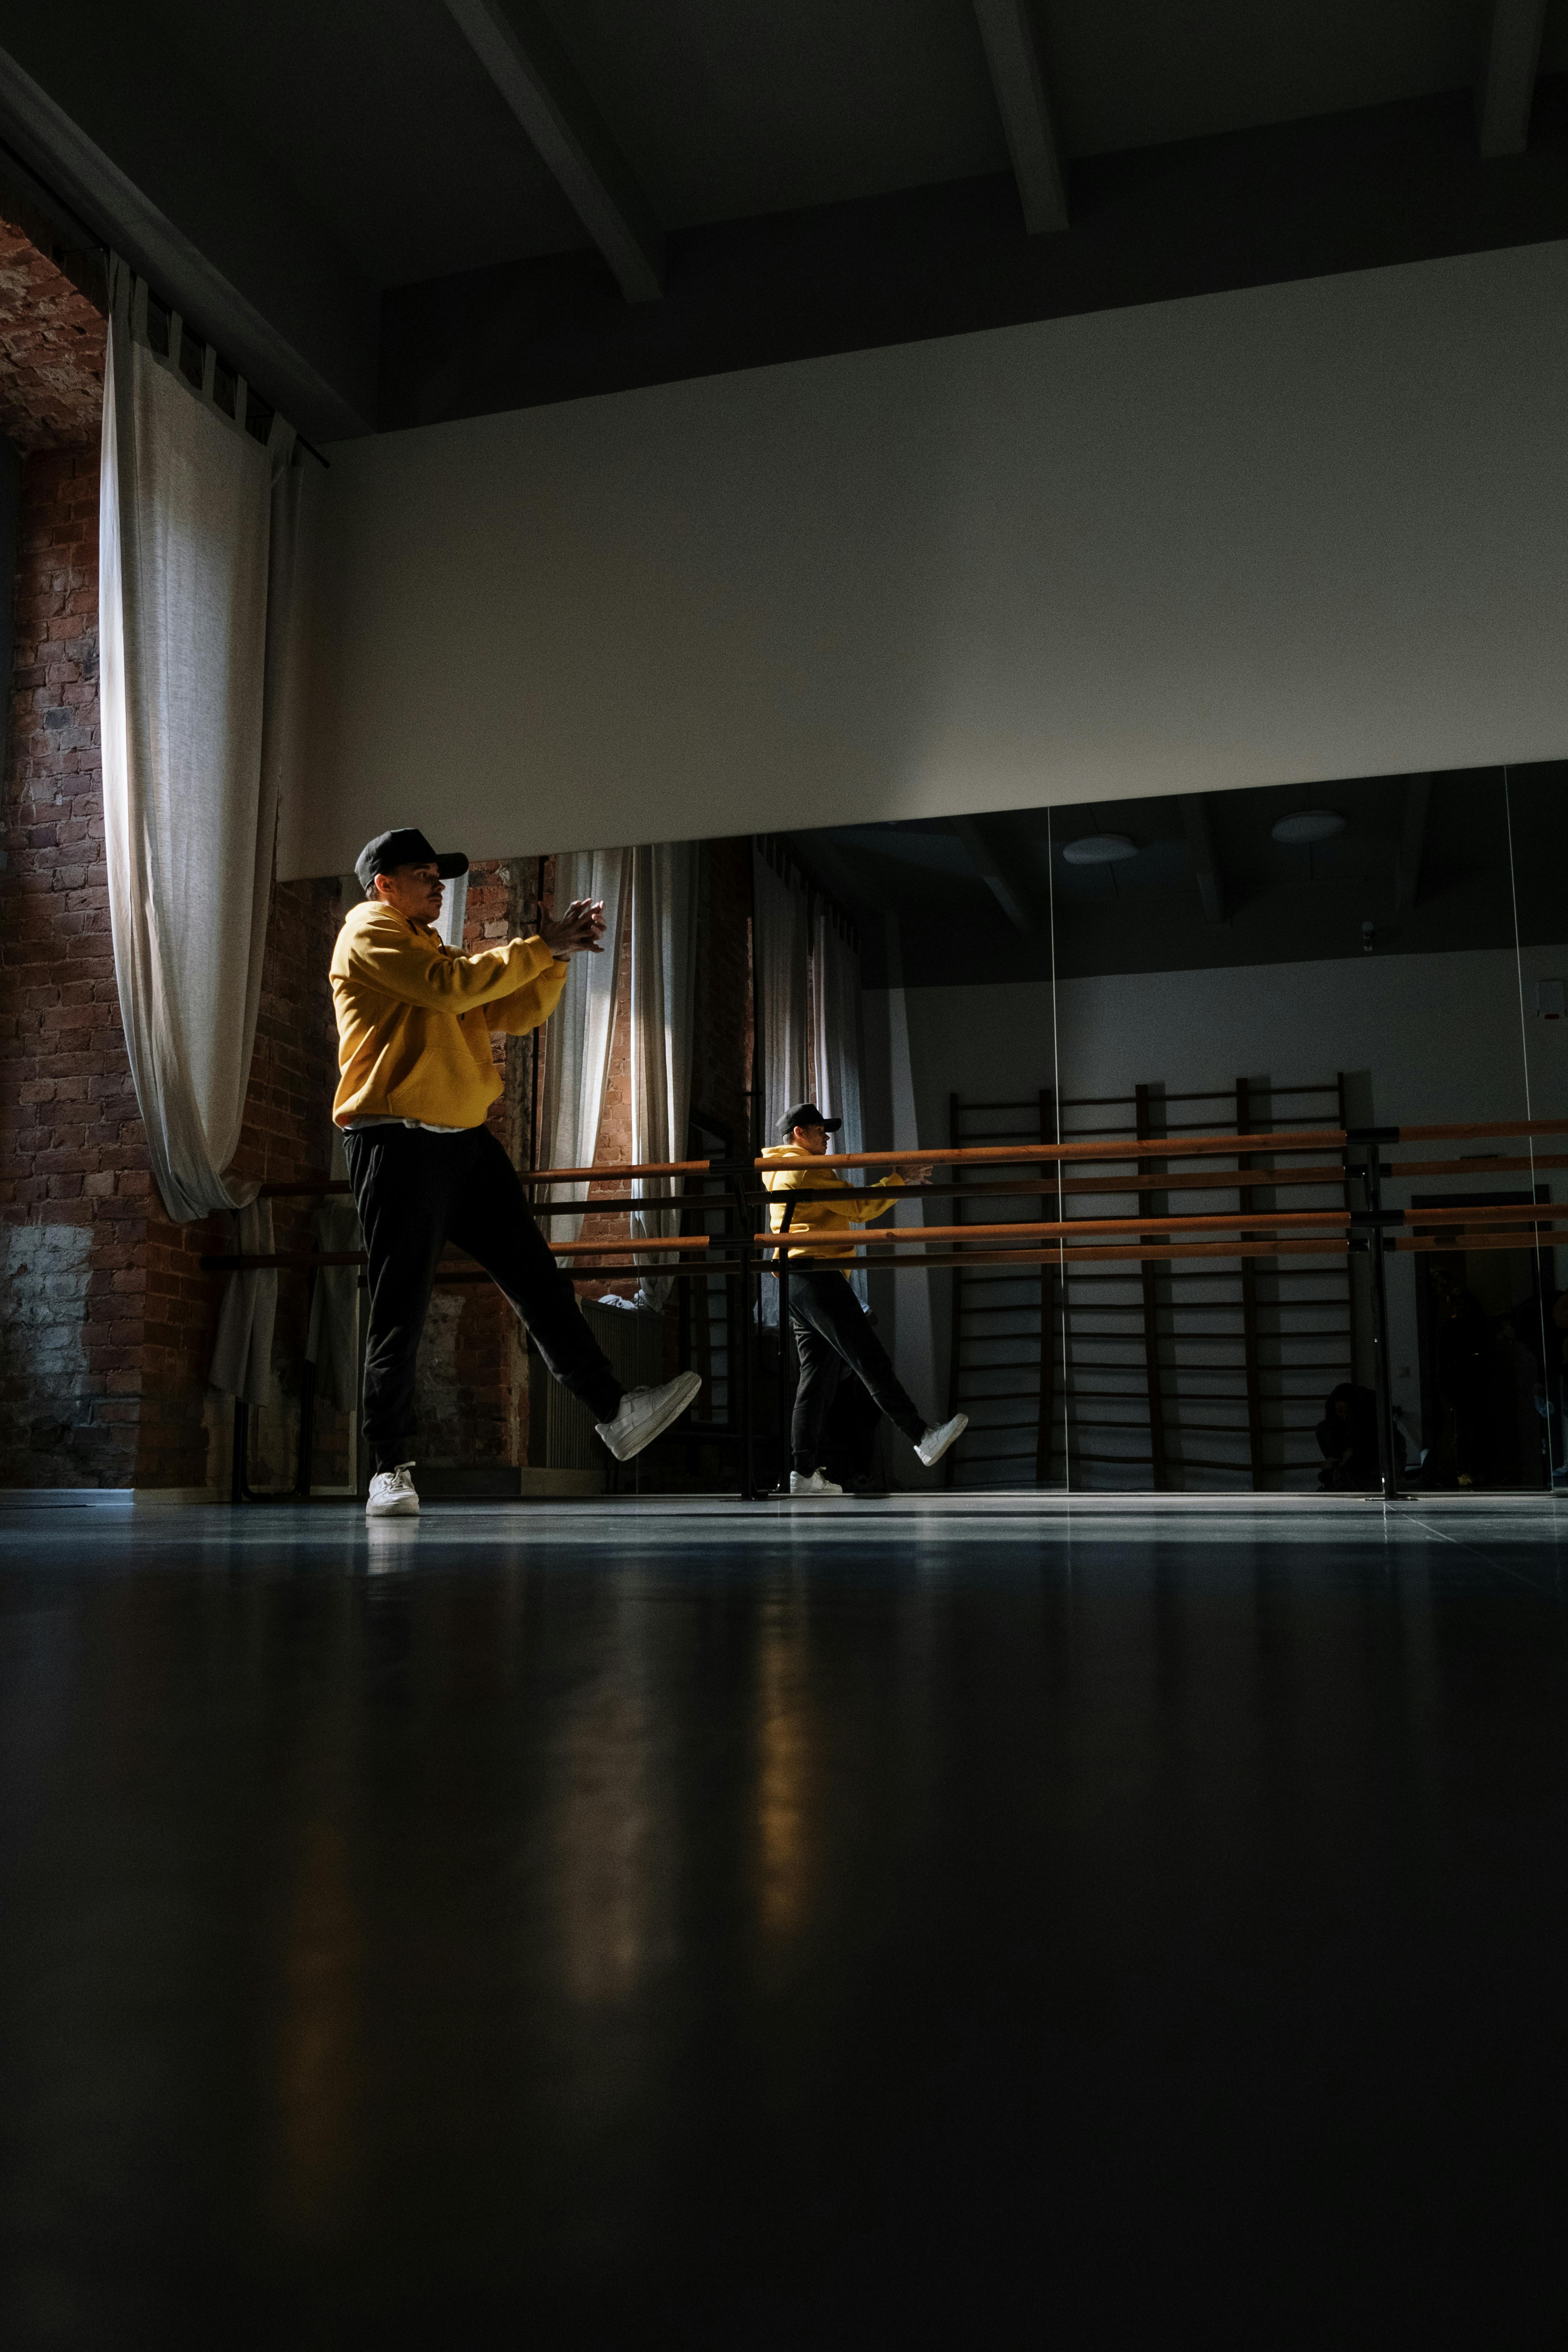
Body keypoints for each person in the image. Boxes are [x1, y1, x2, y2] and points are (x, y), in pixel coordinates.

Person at [332, 827, 700, 1518]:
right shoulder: (369, 932)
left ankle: (613, 1408)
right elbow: (448, 990)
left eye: (440, 876)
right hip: (397, 1141)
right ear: (385, 884)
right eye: (424, 875)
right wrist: (541, 947)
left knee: (535, 1276)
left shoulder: (429, 944)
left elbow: (516, 1010)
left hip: (464, 1142)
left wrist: (554, 961)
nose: (438, 885)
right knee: (400, 1306)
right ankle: (388, 1467)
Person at [762, 1102, 967, 1497]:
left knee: (815, 1381)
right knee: (867, 1359)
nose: (826, 1137)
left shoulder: (778, 1169)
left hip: (796, 1279)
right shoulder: (805, 1167)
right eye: (820, 1130)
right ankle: (920, 1435)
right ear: (799, 1134)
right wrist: (899, 1179)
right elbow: (858, 1207)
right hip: (817, 1274)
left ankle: (803, 1473)